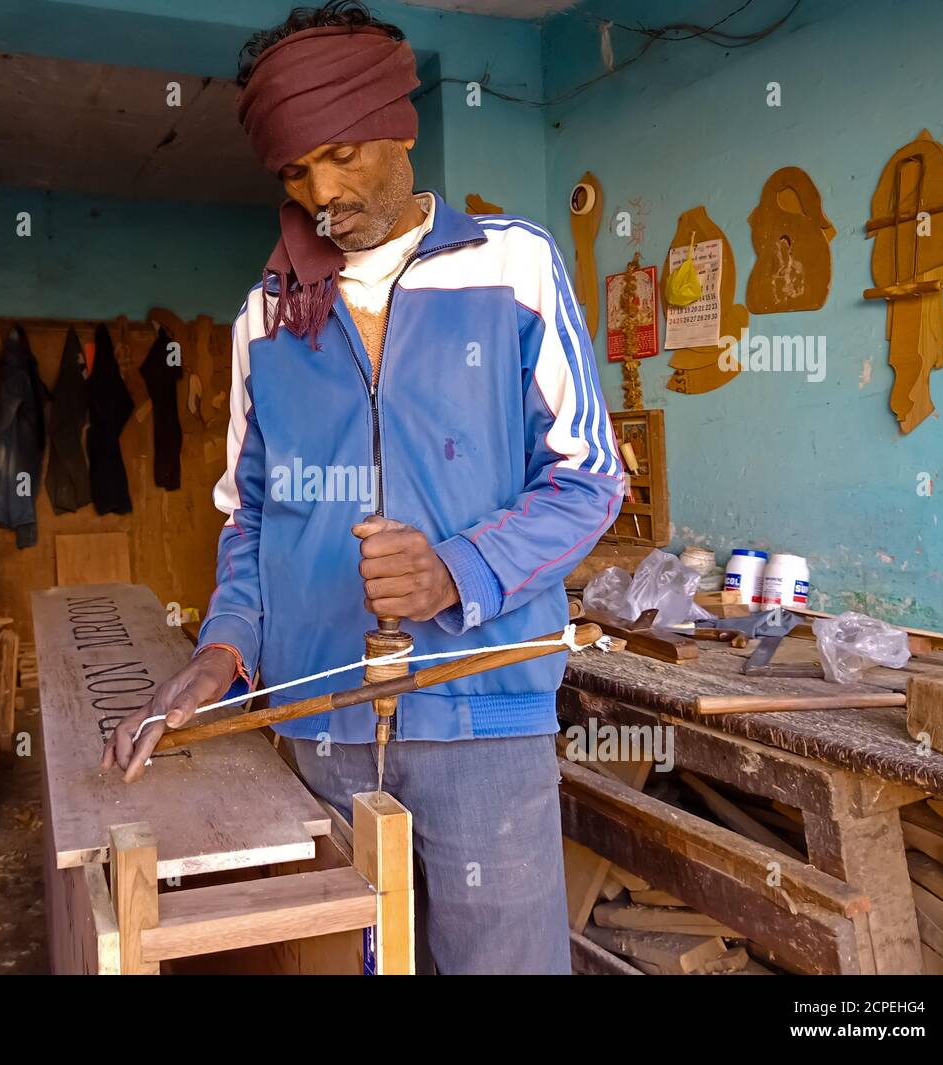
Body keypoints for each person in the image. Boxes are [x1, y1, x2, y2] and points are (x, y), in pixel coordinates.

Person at [107, 0, 623, 974]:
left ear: (401, 126)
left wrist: (455, 572)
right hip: (321, 723)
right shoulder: (267, 318)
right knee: (342, 964)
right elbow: (250, 516)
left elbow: (587, 479)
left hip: (482, 712)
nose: (322, 191)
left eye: (342, 153)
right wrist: (222, 647)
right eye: (296, 171)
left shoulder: (512, 267)